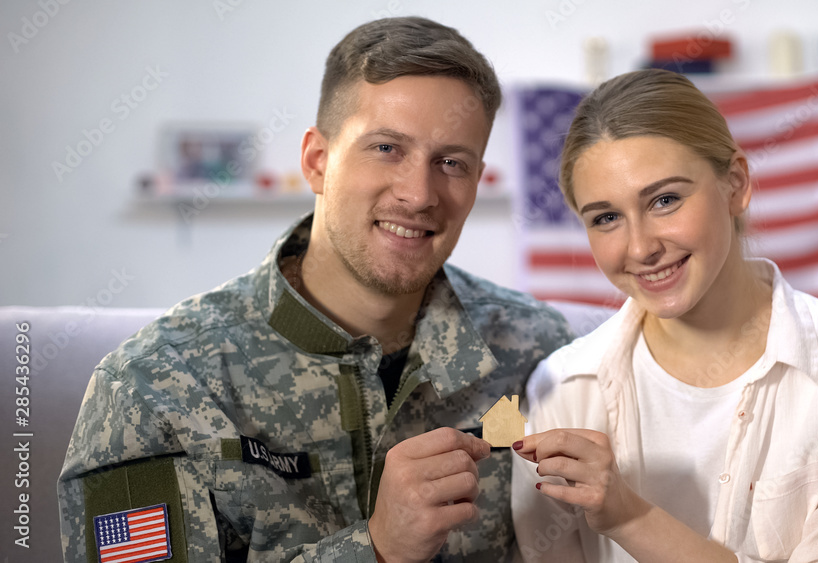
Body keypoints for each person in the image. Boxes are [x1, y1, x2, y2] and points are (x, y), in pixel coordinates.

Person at [58, 17, 573, 562]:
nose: (419, 194)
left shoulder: (538, 350)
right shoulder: (153, 386)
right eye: (386, 148)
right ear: (317, 161)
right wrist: (375, 549)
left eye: (451, 163)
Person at [510, 69, 818, 562]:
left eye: (665, 200)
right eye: (606, 218)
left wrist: (630, 517)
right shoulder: (560, 387)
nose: (641, 247)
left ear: (735, 184)